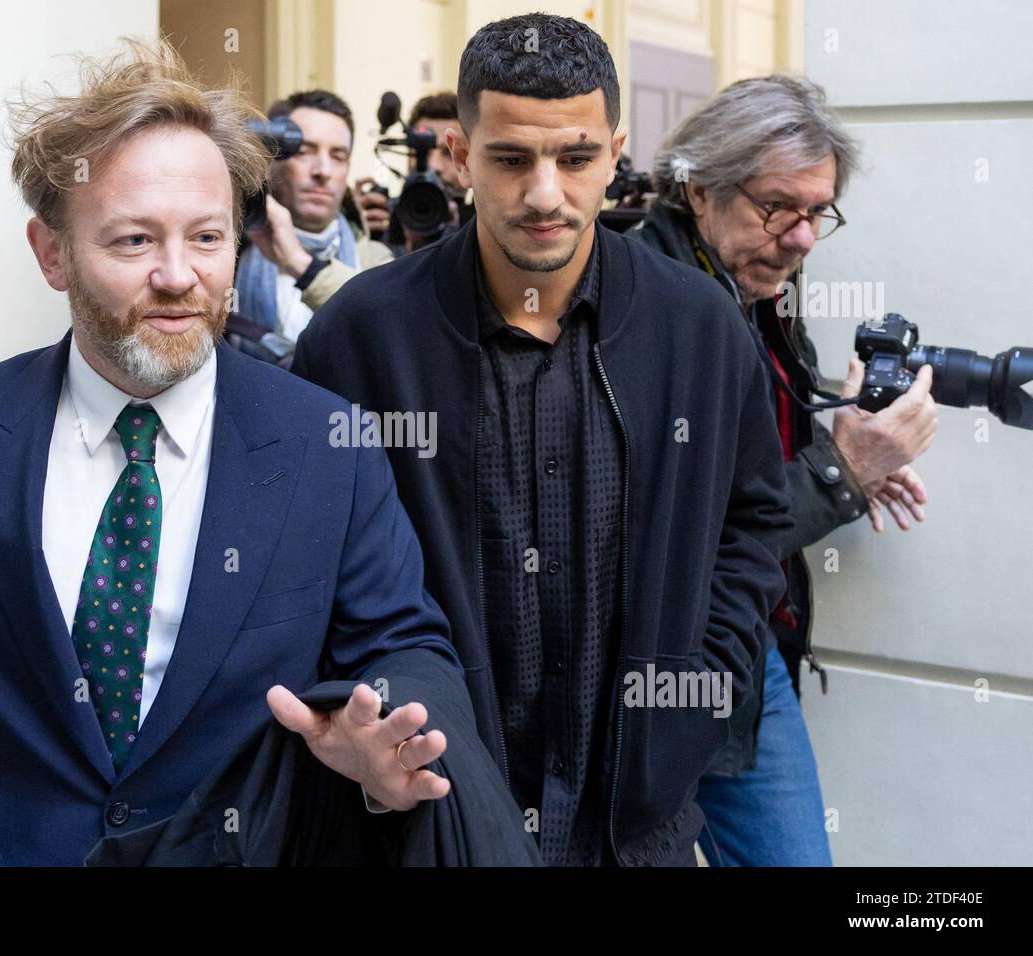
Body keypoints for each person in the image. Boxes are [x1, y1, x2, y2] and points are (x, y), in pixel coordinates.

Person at [0, 38, 521, 867]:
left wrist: (383, 752)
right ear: (52, 252)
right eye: (135, 242)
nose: (179, 277)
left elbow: (407, 645)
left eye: (207, 238)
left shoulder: (330, 446)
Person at [293, 13, 792, 866]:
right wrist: (370, 720)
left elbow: (752, 524)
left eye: (575, 157)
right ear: (457, 154)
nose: (545, 193)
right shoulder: (359, 339)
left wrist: (692, 699)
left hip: (635, 829)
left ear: (615, 150)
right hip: (433, 826)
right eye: (511, 158)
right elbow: (308, 561)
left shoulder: (700, 328)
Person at [637, 74, 938, 866]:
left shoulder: (755, 279)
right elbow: (686, 534)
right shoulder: (645, 303)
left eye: (818, 213)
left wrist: (848, 459)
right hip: (654, 661)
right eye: (779, 207)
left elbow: (748, 470)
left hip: (749, 651)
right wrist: (841, 469)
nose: (802, 237)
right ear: (698, 188)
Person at [236, 90, 393, 341]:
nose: (323, 171)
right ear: (271, 160)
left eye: (338, 156)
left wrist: (299, 264)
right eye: (303, 151)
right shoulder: (231, 254)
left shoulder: (377, 261)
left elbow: (389, 329)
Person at [356, 92, 474, 251]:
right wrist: (353, 230)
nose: (434, 165)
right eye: (423, 151)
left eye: (449, 152)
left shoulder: (485, 227)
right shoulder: (385, 217)